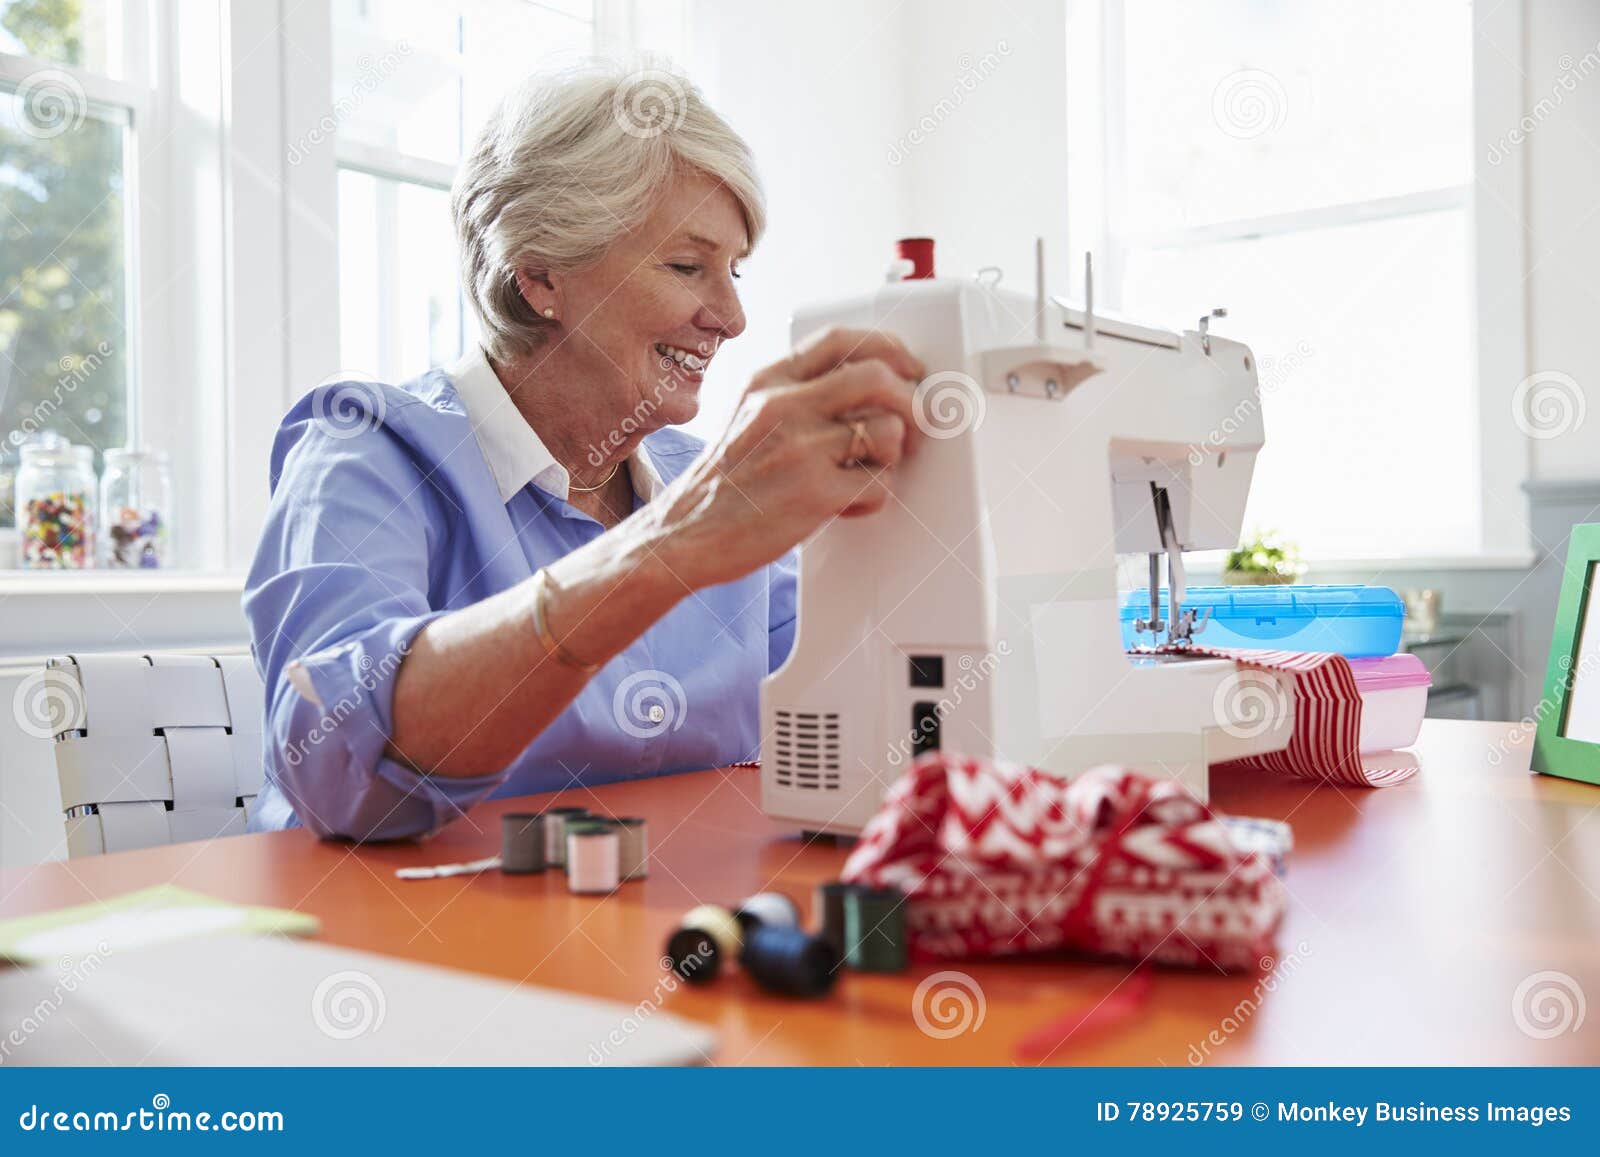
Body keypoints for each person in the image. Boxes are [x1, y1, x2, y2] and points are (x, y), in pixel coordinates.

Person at [242, 64, 924, 840]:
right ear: (539, 275)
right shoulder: (366, 448)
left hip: (652, 936)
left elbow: (856, 712)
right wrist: (672, 544)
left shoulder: (708, 484)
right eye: (686, 266)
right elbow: (335, 769)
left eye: (734, 271)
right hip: (383, 941)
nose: (733, 318)